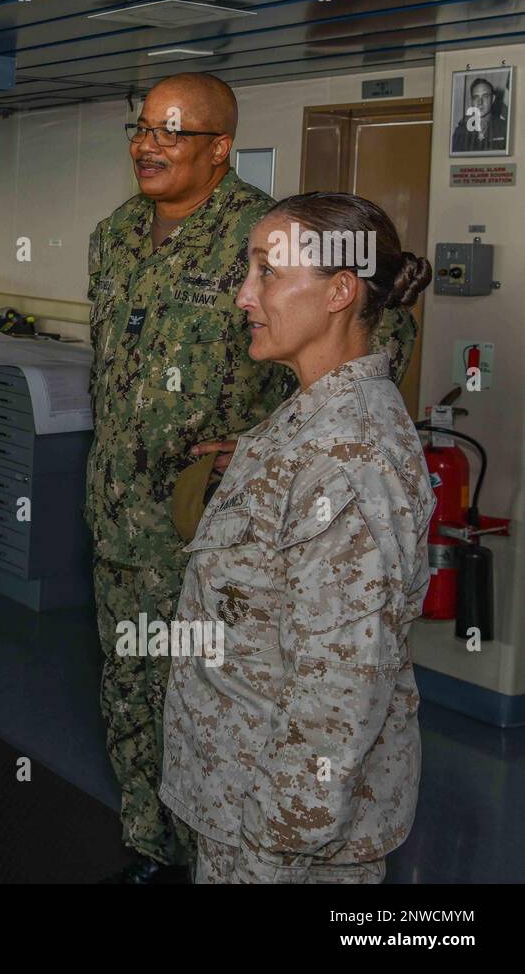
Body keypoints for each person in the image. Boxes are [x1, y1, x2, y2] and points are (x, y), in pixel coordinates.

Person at [86, 73, 417, 883]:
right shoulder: (116, 234)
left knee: (250, 682)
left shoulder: (268, 229)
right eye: (142, 127)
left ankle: (224, 845)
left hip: (218, 517)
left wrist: (270, 438)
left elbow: (340, 683)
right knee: (141, 691)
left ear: (220, 147)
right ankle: (155, 844)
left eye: (172, 131)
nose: (149, 144)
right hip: (126, 515)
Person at [160, 192, 435, 883]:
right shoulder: (311, 417)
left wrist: (273, 852)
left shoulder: (347, 458)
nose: (244, 298)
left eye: (268, 273)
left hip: (282, 833)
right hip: (241, 789)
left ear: (341, 289)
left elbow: (339, 695)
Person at [451, 78, 508, 153]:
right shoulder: (461, 130)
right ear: (472, 101)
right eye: (476, 97)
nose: (480, 102)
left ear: (493, 99)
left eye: (485, 96)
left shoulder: (504, 128)